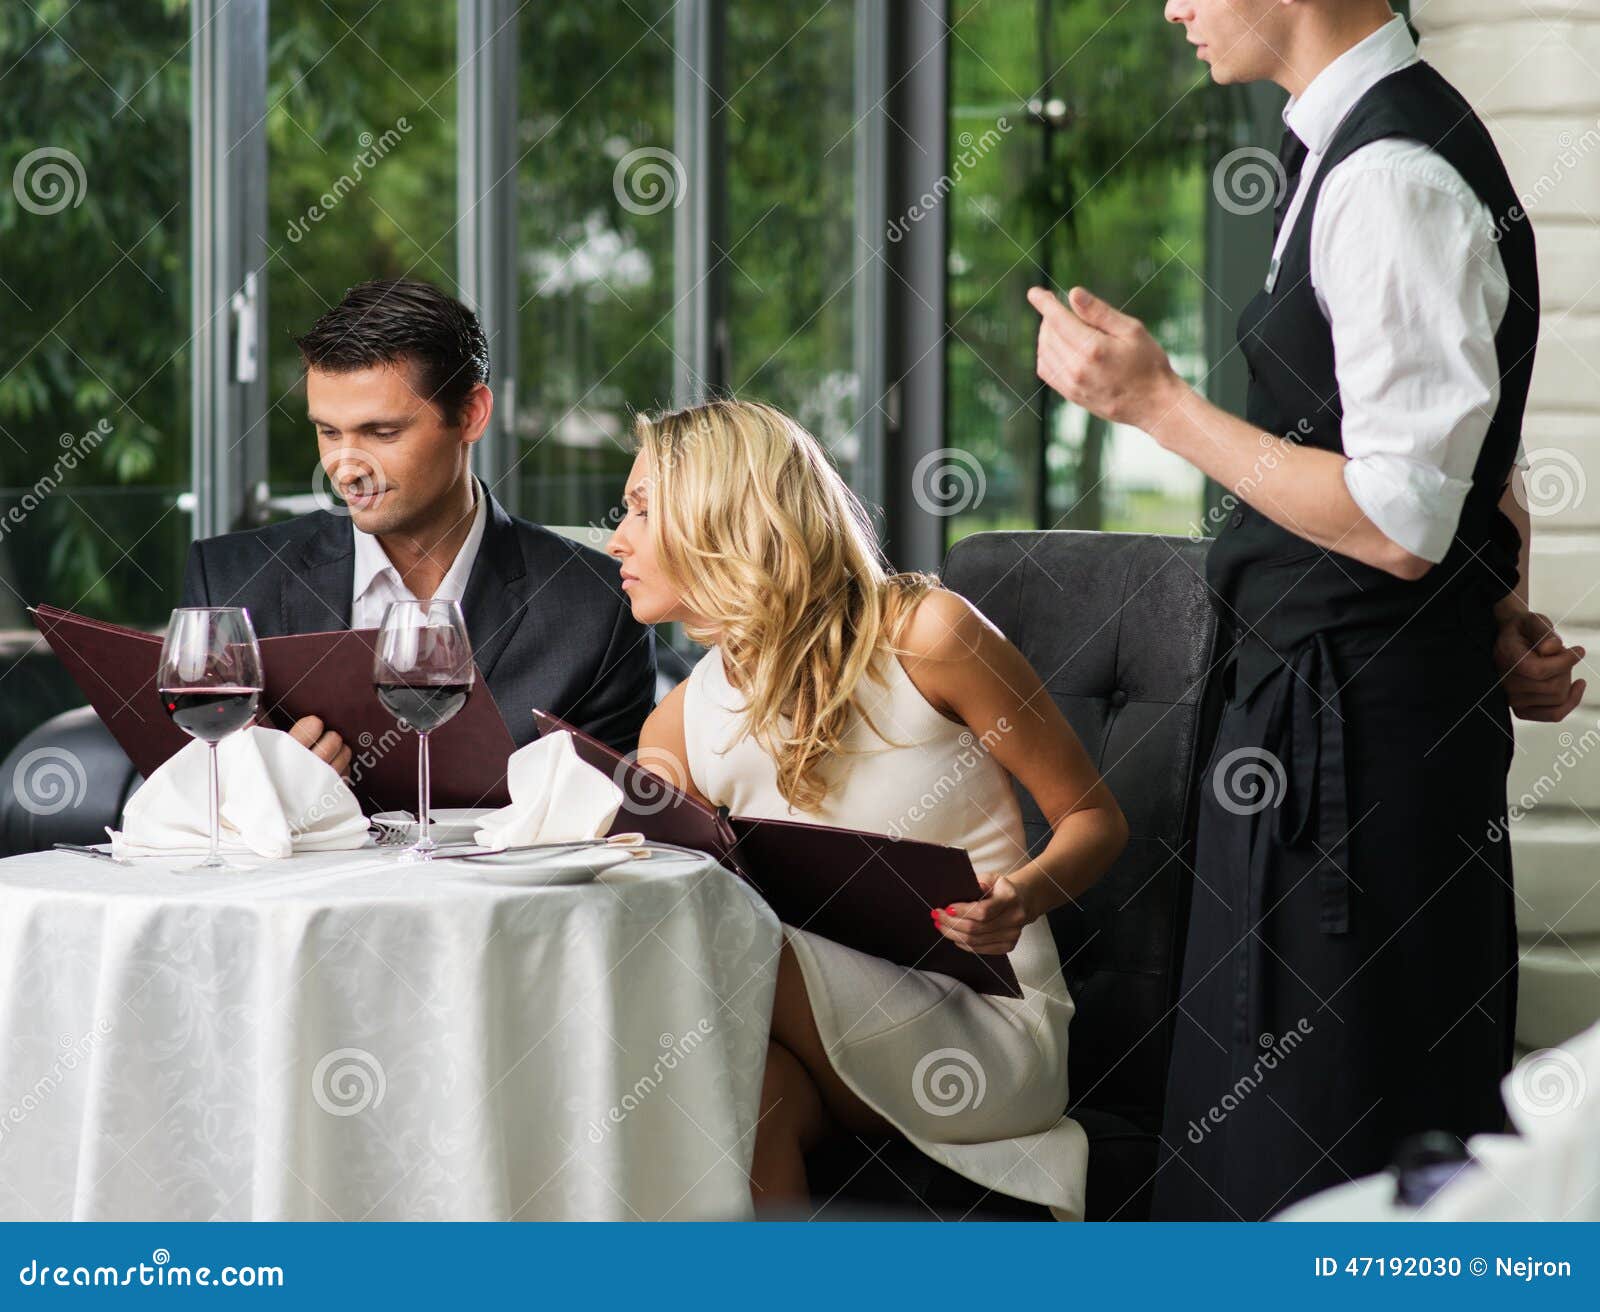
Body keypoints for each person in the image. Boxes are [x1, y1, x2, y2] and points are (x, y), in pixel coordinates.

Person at [1027, 2, 1585, 1220]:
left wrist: (1156, 407)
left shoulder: (1390, 173)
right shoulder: (1349, 145)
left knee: (1324, 1144)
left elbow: (1395, 516)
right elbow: (1467, 465)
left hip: (1353, 764)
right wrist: (1495, 610)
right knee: (1297, 1138)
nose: (1172, 5)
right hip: (1326, 734)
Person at [604, 398, 1129, 1219]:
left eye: (640, 509)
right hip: (820, 1038)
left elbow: (1096, 821)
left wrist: (1021, 897)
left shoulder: (928, 637)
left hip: (982, 1030)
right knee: (744, 1097)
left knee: (717, 938)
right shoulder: (678, 722)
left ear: (723, 514)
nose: (617, 539)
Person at [181, 278, 656, 771]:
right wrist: (254, 789)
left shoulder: (596, 609)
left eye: (382, 432)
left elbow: (613, 828)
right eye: (327, 432)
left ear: (471, 415)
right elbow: (177, 800)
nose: (346, 468)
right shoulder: (232, 582)